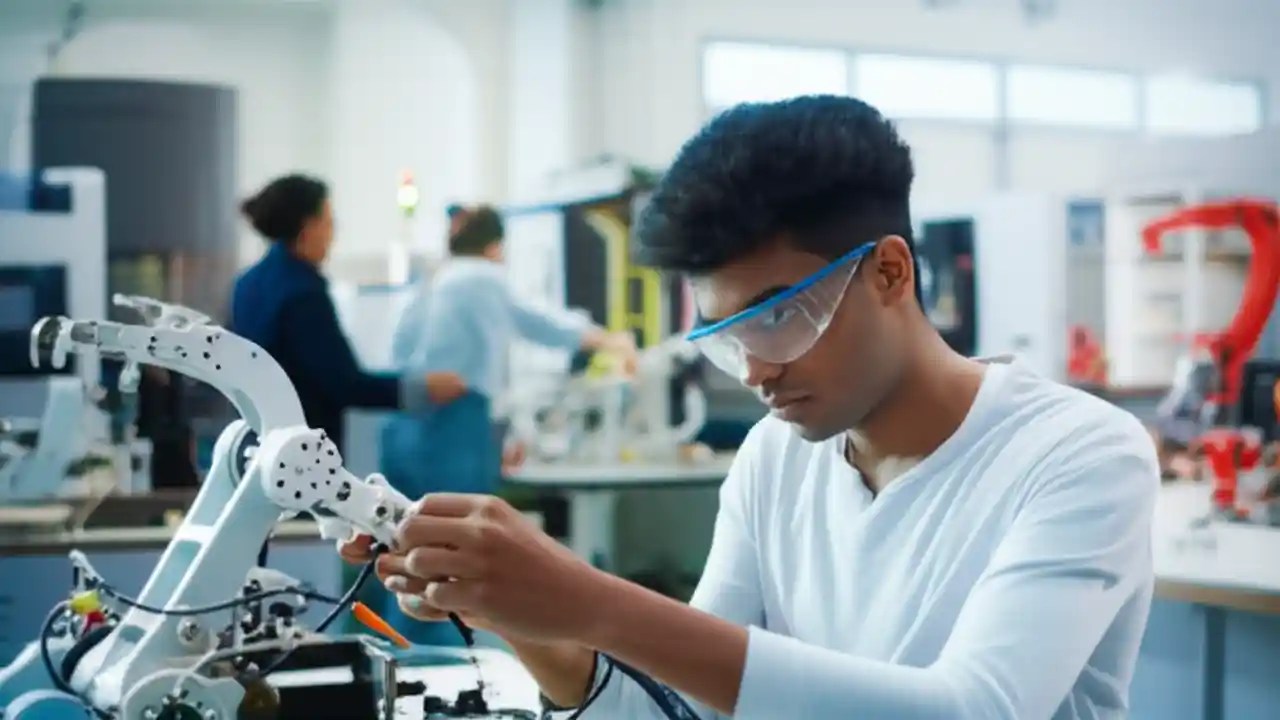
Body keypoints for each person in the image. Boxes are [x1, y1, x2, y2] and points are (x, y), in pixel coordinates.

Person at [343, 96, 1160, 719]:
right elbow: (683, 707)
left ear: (889, 273)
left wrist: (590, 600)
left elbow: (972, 709)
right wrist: (526, 620)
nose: (759, 371)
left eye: (780, 316)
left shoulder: (1081, 453)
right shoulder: (777, 457)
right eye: (732, 336)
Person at [377, 204, 636, 645]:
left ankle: (400, 647)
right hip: (453, 430)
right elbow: (538, 323)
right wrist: (608, 338)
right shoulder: (482, 278)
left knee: (404, 542)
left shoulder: (434, 278)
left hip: (403, 428)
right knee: (452, 548)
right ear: (496, 246)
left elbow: (403, 355)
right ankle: (451, 654)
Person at [230, 174, 467, 453]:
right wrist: (421, 389)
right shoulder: (302, 294)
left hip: (257, 444)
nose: (333, 234)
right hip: (302, 455)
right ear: (309, 227)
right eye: (329, 222)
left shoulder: (247, 284)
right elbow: (344, 384)